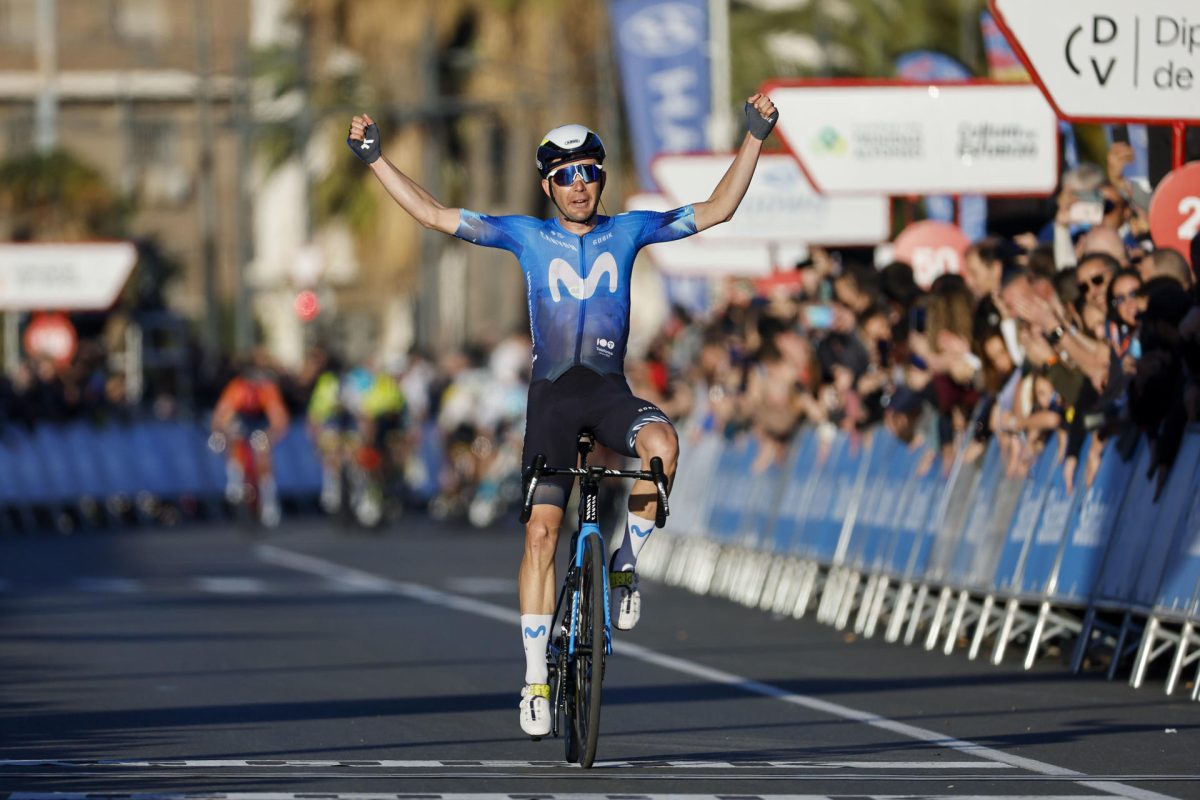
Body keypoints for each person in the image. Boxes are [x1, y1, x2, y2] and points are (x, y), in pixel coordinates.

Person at [347, 94, 778, 738]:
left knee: (663, 444)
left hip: (608, 392)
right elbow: (435, 214)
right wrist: (376, 159)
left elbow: (717, 209)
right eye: (566, 175)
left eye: (590, 172)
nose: (580, 185)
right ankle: (534, 680)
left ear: (601, 179)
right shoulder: (526, 235)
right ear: (548, 185)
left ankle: (624, 562)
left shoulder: (629, 230)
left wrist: (754, 137)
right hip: (551, 399)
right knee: (542, 537)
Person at [211, 354, 290, 527]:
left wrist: (272, 436)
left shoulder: (268, 388)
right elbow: (221, 415)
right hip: (242, 420)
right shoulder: (236, 387)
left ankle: (269, 501)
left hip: (261, 421)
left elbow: (278, 418)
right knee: (231, 434)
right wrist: (220, 433)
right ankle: (235, 474)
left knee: (262, 451)